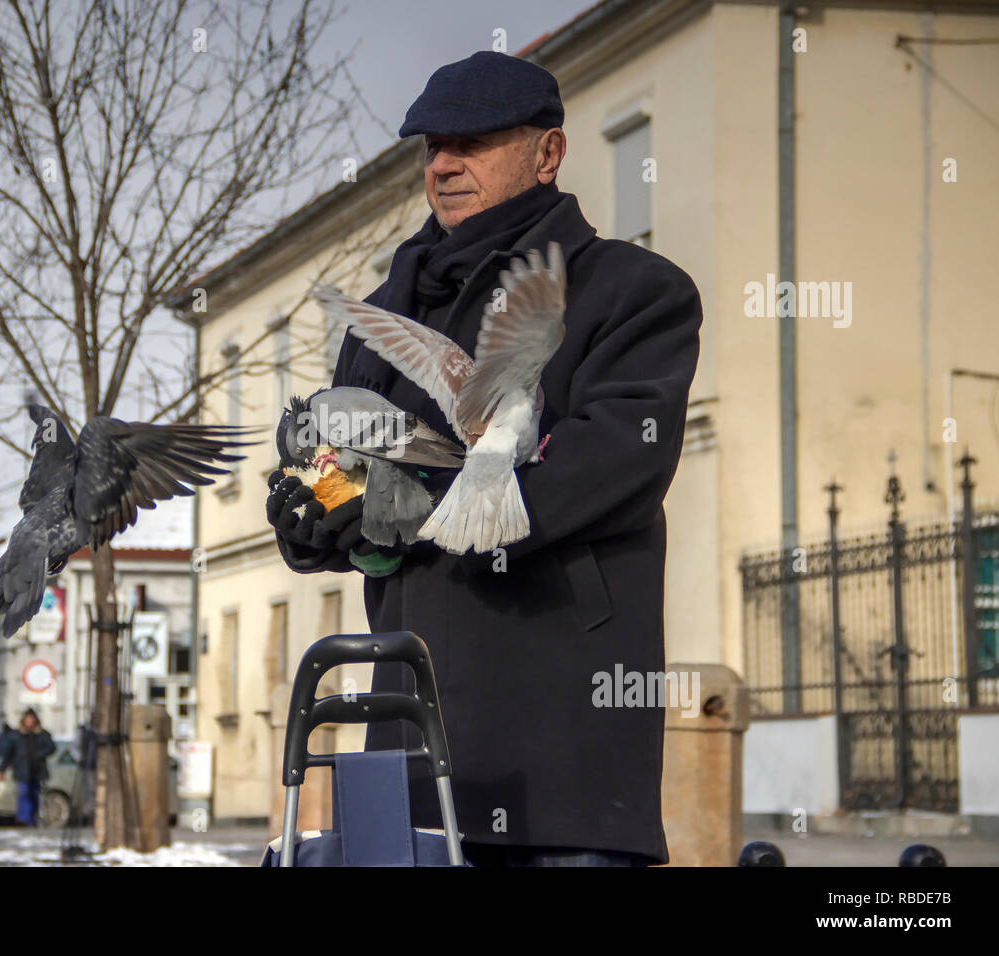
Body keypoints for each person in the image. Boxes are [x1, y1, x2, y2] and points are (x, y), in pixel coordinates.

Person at [266, 51, 702, 867]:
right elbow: (339, 455)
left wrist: (419, 504)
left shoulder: (632, 289)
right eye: (432, 144)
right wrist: (313, 509)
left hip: (558, 745)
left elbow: (612, 463)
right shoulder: (392, 304)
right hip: (406, 726)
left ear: (548, 152)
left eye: (473, 141)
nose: (442, 163)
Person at [0, 708, 55, 826]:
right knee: (24, 794)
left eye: (31, 719)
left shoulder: (42, 734)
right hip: (22, 770)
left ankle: (32, 819)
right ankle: (24, 820)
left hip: (37, 770)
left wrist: (39, 754)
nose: (29, 722)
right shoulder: (17, 735)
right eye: (27, 719)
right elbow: (9, 754)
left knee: (35, 795)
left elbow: (51, 747)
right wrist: (1, 769)